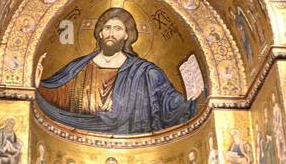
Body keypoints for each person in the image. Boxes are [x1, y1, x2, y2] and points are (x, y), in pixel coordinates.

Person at [34, 7, 201, 134]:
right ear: (100, 33)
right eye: (107, 28)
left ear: (127, 35)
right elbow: (56, 96)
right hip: (76, 140)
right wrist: (38, 83)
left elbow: (170, 104)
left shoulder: (146, 72)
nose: (111, 33)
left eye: (118, 29)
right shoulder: (78, 67)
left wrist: (195, 98)